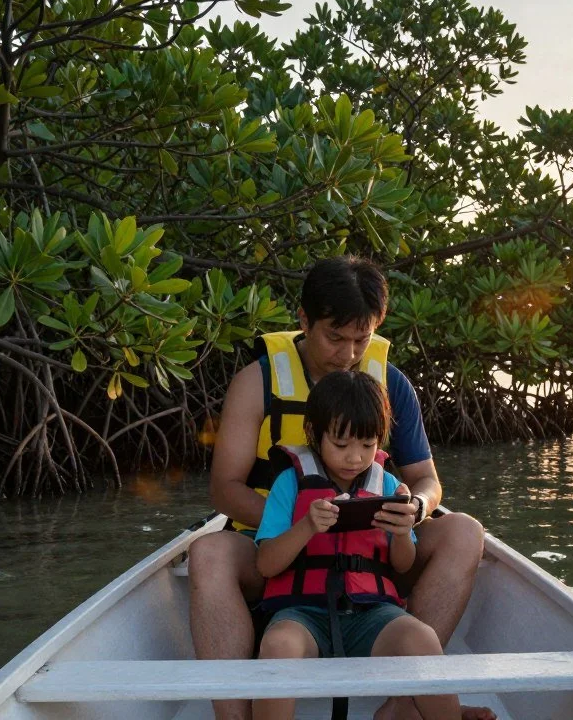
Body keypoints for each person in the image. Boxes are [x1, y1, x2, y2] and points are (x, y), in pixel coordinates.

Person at [188, 256, 492, 720]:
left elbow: (427, 480)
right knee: (207, 552)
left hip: (372, 553)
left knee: (465, 531)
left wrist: (415, 508)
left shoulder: (390, 383)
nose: (348, 355)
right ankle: (234, 715)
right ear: (305, 320)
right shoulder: (257, 382)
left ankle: (403, 703)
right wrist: (296, 523)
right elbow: (225, 490)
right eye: (335, 337)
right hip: (275, 548)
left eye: (361, 339)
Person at [253, 371, 460, 720]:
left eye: (368, 445)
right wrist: (306, 526)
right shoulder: (290, 483)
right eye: (342, 444)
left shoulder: (389, 483)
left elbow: (402, 566)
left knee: (421, 638)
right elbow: (266, 565)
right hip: (304, 613)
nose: (355, 457)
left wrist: (400, 532)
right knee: (277, 645)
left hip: (371, 613)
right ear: (316, 436)